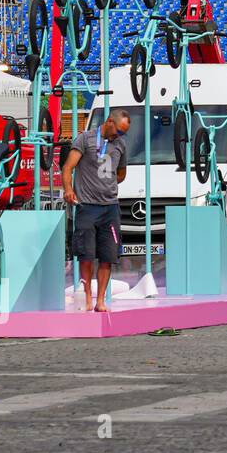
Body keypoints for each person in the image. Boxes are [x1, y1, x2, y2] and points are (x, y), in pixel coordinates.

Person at [62, 109, 131, 312]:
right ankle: (88, 298)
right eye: (119, 131)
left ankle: (101, 300)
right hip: (87, 206)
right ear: (110, 122)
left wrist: (105, 183)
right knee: (86, 255)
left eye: (123, 133)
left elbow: (121, 174)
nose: (120, 135)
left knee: (108, 256)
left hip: (110, 207)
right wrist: (68, 189)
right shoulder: (86, 139)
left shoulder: (120, 145)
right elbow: (68, 167)